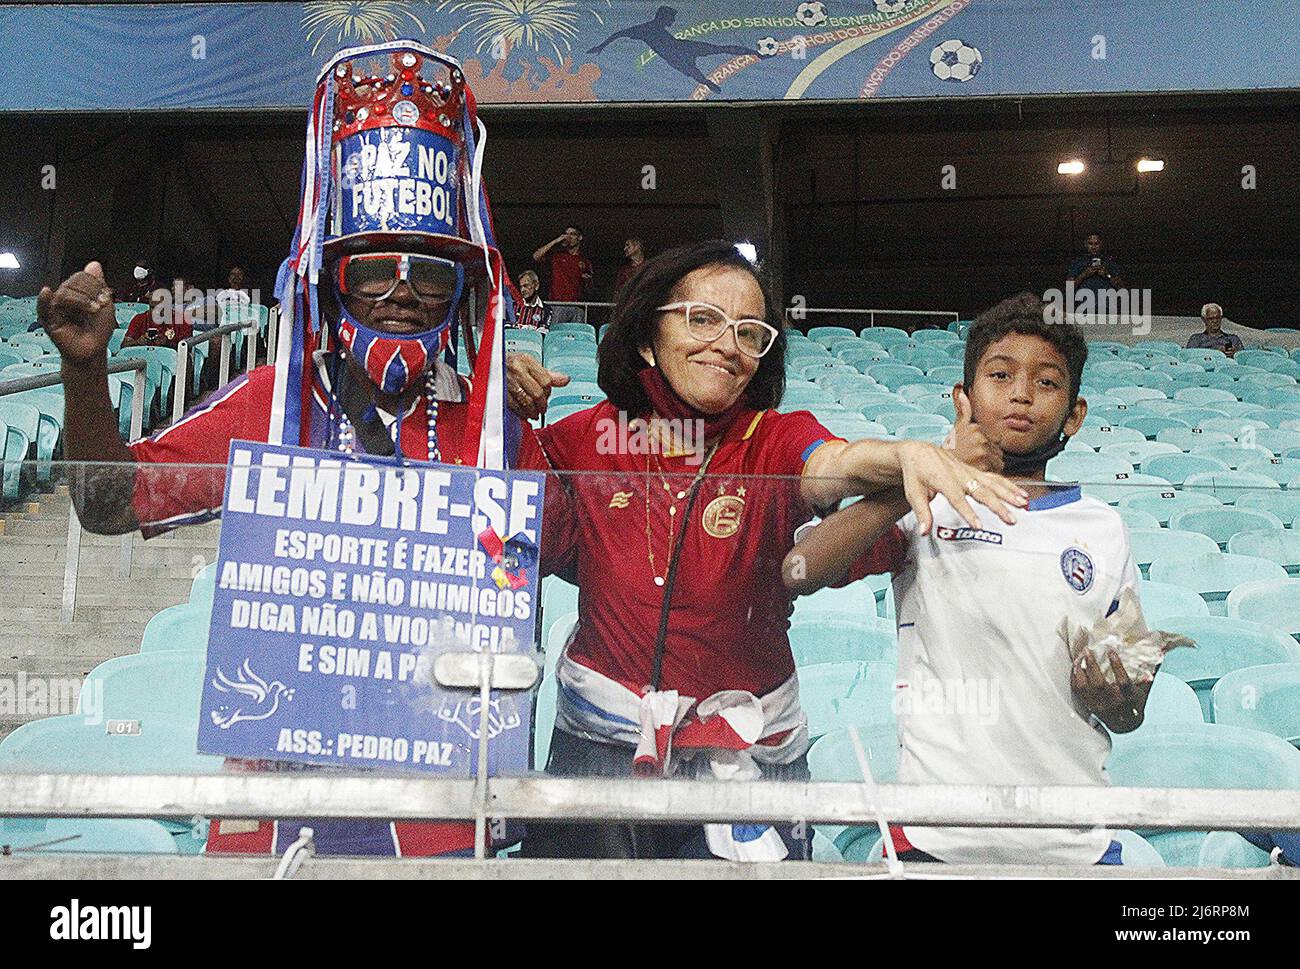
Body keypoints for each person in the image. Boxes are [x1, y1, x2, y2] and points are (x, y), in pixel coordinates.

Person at [37, 41, 550, 859]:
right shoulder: (272, 403)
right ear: (327, 275)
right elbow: (105, 506)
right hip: (279, 798)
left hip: (443, 807)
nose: (403, 297)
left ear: (465, 294)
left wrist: (535, 423)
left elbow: (566, 557)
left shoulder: (489, 424)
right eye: (375, 270)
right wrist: (86, 372)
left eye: (433, 278)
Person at [512, 240, 1026, 861]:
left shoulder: (775, 435)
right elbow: (509, 525)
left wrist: (904, 455)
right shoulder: (586, 439)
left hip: (748, 756)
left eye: (750, 333)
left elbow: (833, 465)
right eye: (703, 319)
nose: (728, 346)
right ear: (648, 338)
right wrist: (505, 406)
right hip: (597, 746)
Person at [783, 292, 1153, 866]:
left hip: (1070, 839)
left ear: (1075, 415)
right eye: (1000, 375)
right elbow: (803, 568)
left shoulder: (1103, 527)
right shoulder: (920, 505)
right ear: (964, 397)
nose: (1022, 394)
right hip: (936, 835)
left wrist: (1122, 695)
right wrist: (935, 467)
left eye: (1048, 383)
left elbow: (1128, 710)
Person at [587, 6, 755, 95]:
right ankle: (708, 83)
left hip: (682, 47)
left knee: (719, 49)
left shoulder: (655, 27)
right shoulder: (644, 29)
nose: (673, 21)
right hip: (674, 57)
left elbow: (619, 34)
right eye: (671, 18)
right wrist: (601, 46)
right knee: (698, 75)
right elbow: (620, 33)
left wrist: (601, 46)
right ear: (663, 17)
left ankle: (755, 53)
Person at [531, 225, 593, 324]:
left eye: (572, 234)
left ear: (580, 237)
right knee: (555, 334)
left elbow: (590, 288)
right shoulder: (557, 257)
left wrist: (587, 280)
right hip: (557, 304)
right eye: (566, 234)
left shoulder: (585, 261)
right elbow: (536, 256)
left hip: (578, 305)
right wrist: (556, 240)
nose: (568, 237)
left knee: (578, 335)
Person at [120, 286, 192, 350]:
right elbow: (123, 346)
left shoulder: (182, 320)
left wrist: (168, 343)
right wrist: (138, 342)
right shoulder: (139, 319)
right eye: (152, 307)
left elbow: (187, 350)